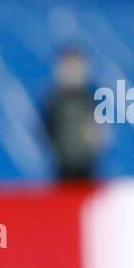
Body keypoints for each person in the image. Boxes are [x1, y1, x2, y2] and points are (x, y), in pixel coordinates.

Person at [42, 45, 104, 183]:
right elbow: (47, 129)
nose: (72, 72)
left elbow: (99, 132)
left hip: (87, 166)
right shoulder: (55, 100)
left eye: (76, 66)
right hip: (64, 166)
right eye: (68, 67)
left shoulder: (91, 98)